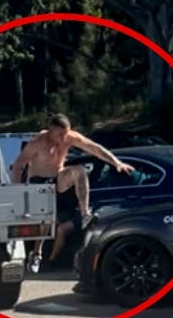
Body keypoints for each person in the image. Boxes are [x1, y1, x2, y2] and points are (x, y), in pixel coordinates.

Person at [10, 114, 134, 271]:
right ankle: (36, 254)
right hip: (38, 180)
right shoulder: (38, 142)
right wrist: (17, 188)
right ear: (50, 130)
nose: (63, 139)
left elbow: (94, 148)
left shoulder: (70, 137)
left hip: (58, 177)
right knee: (47, 217)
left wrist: (116, 162)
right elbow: (19, 163)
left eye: (65, 134)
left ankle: (84, 213)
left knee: (79, 171)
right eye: (59, 135)